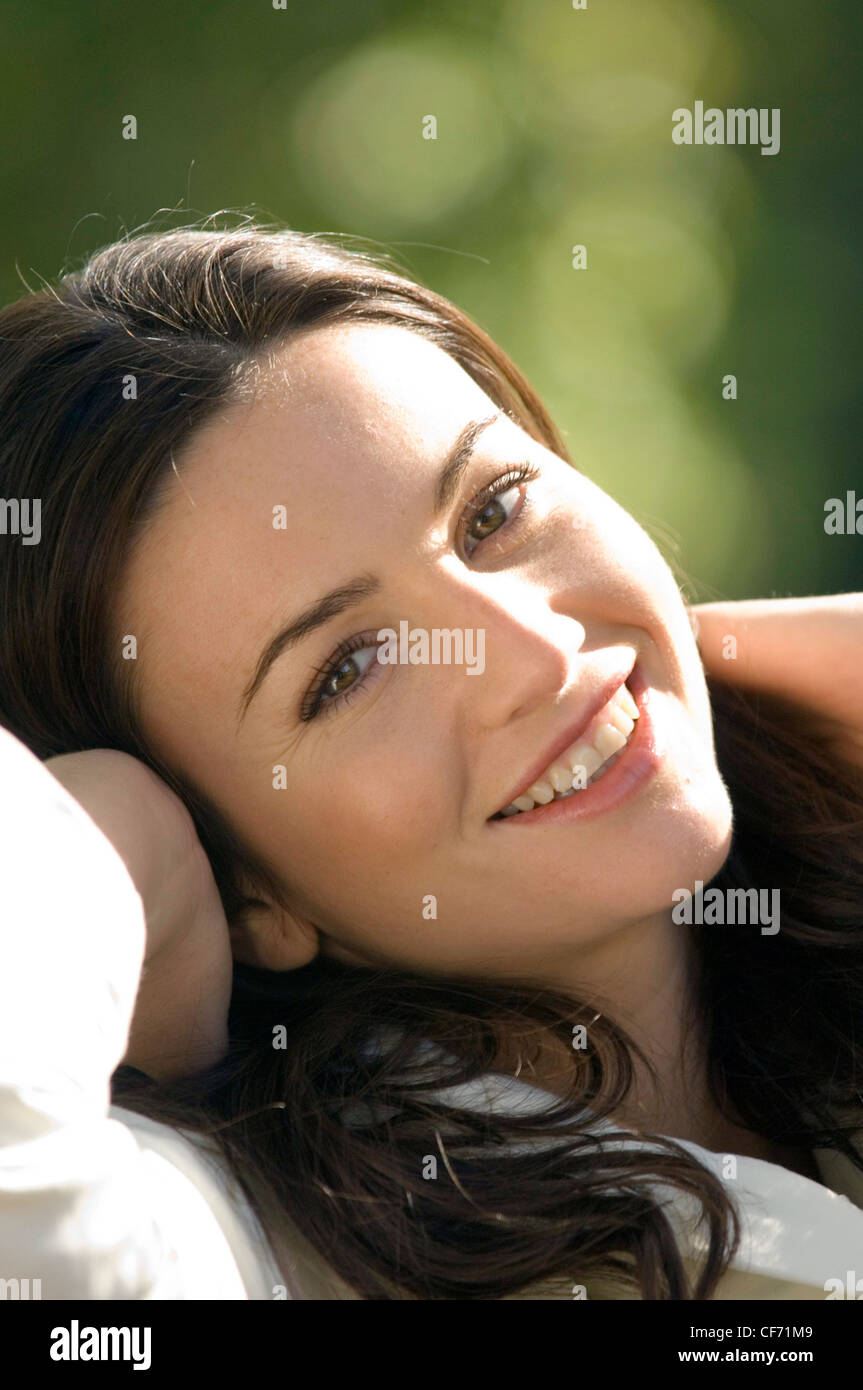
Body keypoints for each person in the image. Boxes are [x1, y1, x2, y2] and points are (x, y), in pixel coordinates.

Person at [1, 222, 862, 1300]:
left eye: (492, 510)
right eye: (348, 667)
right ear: (244, 891)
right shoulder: (235, 1244)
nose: (535, 652)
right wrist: (104, 842)